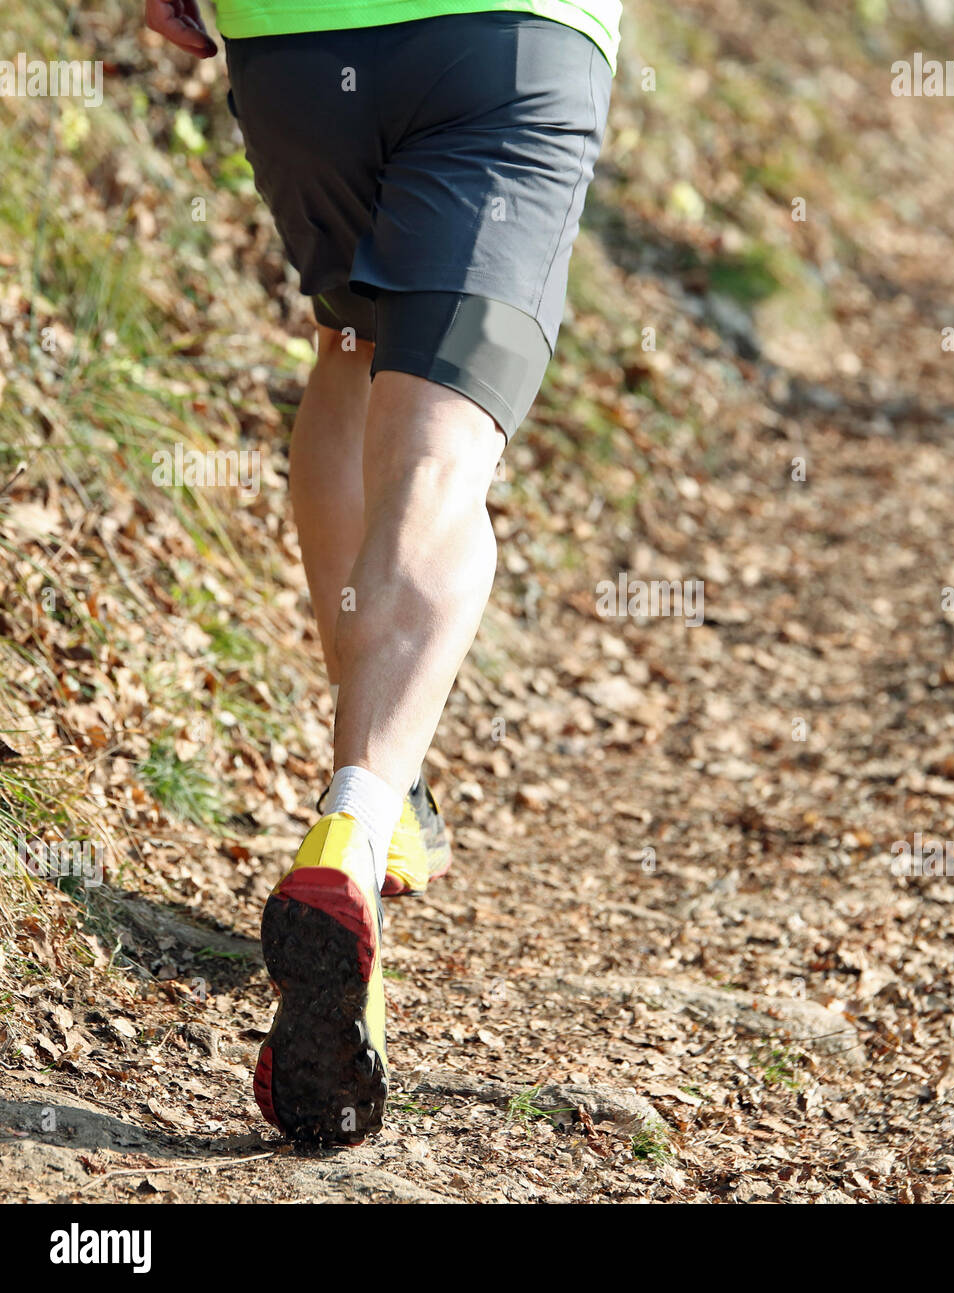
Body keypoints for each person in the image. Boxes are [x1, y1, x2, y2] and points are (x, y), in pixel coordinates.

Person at [143, 0, 619, 1143]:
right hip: (508, 42)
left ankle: (387, 800)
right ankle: (356, 817)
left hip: (298, 44)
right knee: (441, 446)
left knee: (350, 346)